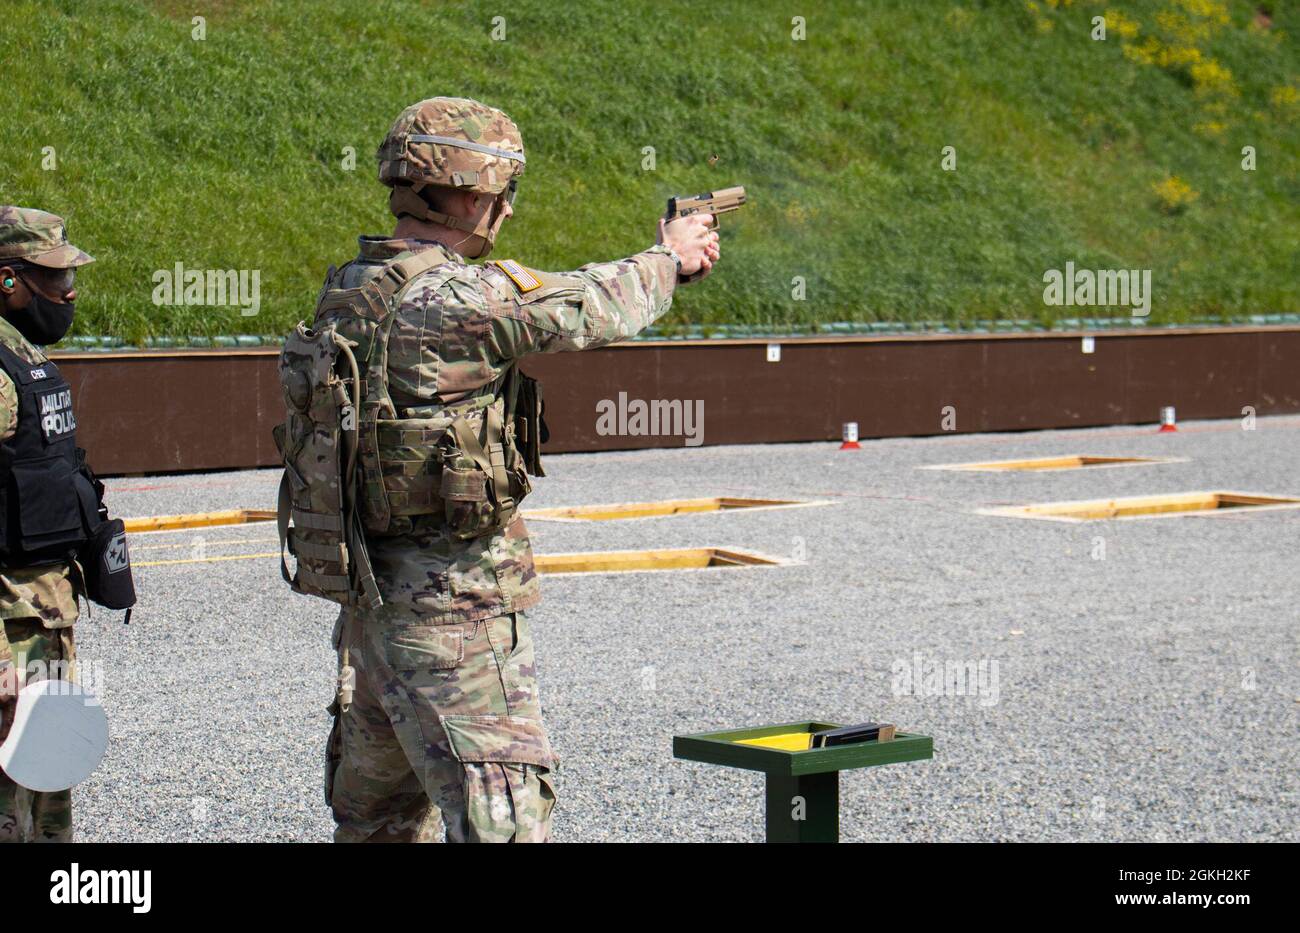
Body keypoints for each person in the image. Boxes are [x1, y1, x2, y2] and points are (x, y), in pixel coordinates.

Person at [293, 96, 719, 842]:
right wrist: (671, 257)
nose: (506, 213)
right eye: (500, 193)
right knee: (505, 827)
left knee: (378, 826)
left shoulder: (349, 290)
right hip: (456, 619)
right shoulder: (462, 298)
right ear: (463, 190)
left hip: (367, 610)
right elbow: (589, 306)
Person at [0, 206, 97, 843]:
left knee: (47, 806)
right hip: (8, 637)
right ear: (8, 280)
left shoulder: (24, 357)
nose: (68, 293)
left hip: (45, 623)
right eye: (52, 277)